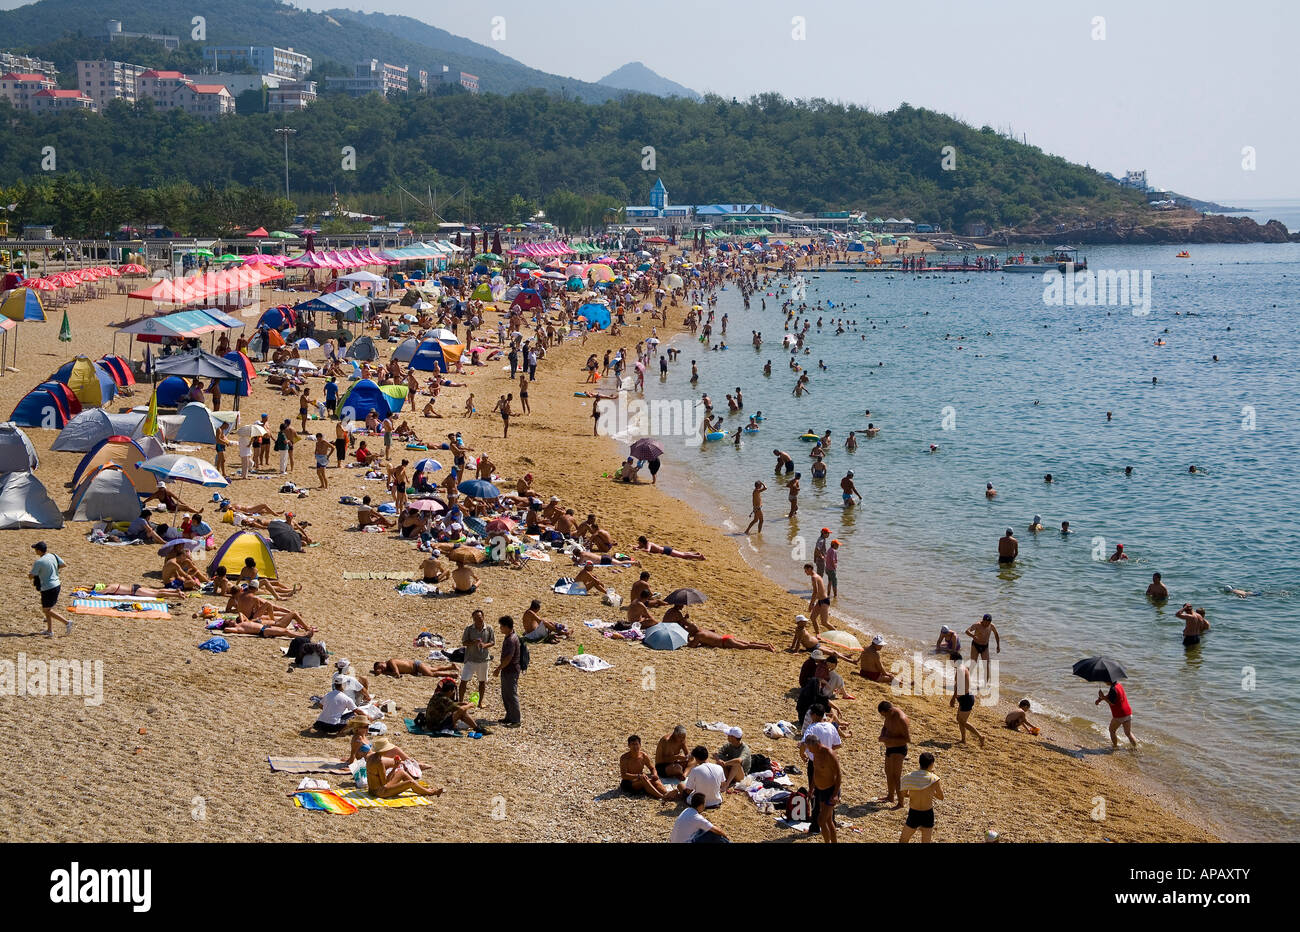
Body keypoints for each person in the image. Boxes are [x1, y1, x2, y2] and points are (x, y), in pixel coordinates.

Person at [800, 703, 841, 836]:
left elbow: (803, 743)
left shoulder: (812, 728)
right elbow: (837, 745)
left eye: (811, 714)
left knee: (817, 798)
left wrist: (803, 754)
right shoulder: (830, 726)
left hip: (816, 765)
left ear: (815, 715)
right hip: (827, 765)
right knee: (827, 806)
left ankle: (816, 825)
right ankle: (829, 822)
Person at [364, 737, 441, 798]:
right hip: (380, 792)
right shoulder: (379, 762)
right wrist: (394, 767)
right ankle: (430, 792)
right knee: (410, 783)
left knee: (401, 772)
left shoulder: (370, 757)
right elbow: (385, 782)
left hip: (371, 790)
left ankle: (420, 788)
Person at [803, 732, 841, 842]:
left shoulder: (829, 754)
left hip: (831, 790)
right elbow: (816, 772)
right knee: (828, 821)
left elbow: (838, 775)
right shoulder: (815, 754)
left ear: (815, 744)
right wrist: (811, 788)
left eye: (809, 747)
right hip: (820, 790)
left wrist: (835, 794)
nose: (809, 751)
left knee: (821, 820)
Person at [898, 751, 943, 843]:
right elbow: (941, 796)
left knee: (904, 839)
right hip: (928, 813)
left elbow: (903, 794)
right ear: (931, 764)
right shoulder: (934, 779)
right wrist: (930, 793)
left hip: (914, 812)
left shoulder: (909, 777)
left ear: (919, 762)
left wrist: (913, 794)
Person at [29, 542, 72, 637]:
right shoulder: (53, 555)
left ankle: (67, 622)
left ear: (39, 551)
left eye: (35, 549)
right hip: (57, 585)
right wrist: (51, 571)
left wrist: (41, 573)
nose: (35, 551)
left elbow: (31, 576)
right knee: (47, 608)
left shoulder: (39, 562)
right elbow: (64, 564)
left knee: (46, 610)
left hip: (48, 588)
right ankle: (49, 630)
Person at [423, 677, 488, 733]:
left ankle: (477, 728)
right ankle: (477, 728)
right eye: (453, 691)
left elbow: (450, 705)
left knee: (461, 711)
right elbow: (461, 709)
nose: (454, 692)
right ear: (449, 691)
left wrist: (460, 703)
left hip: (430, 723)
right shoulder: (444, 699)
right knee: (462, 711)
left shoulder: (437, 695)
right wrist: (470, 705)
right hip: (436, 726)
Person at [877, 700, 911, 807]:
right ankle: (890, 796)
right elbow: (885, 727)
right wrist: (882, 735)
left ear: (890, 710)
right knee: (888, 772)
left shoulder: (901, 719)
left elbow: (907, 739)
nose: (884, 717)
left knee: (896, 776)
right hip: (889, 748)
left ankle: (901, 802)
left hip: (899, 749)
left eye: (884, 715)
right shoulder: (888, 715)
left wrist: (889, 739)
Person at [459, 609, 494, 707]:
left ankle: (480, 702)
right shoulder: (469, 629)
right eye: (476, 618)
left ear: (483, 617)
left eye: (480, 617)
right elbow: (464, 642)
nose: (478, 620)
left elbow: (492, 642)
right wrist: (473, 642)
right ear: (473, 619)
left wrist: (484, 645)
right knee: (464, 680)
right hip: (470, 659)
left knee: (482, 681)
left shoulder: (489, 629)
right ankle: (460, 701)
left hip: (483, 659)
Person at [619, 735, 670, 800]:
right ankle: (661, 796)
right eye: (632, 744)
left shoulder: (643, 756)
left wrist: (654, 774)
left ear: (640, 745)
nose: (635, 747)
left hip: (640, 778)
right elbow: (624, 775)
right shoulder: (624, 758)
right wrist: (638, 776)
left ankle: (666, 793)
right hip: (629, 783)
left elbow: (652, 768)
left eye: (636, 744)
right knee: (644, 779)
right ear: (629, 746)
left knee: (655, 780)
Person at [493, 615, 522, 727]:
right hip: (508, 670)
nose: (500, 628)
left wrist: (498, 668)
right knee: (506, 694)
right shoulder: (511, 636)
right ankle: (509, 716)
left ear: (506, 627)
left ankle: (515, 720)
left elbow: (508, 658)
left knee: (511, 694)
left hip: (511, 670)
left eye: (501, 626)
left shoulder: (511, 639)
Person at [950, 657, 985, 748]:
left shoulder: (960, 670)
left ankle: (980, 736)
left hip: (966, 699)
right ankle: (963, 739)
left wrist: (953, 698)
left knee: (963, 722)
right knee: (959, 719)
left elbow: (959, 687)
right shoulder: (963, 668)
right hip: (964, 698)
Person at [682, 620, 775, 652]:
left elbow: (693, 646)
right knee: (748, 642)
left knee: (746, 646)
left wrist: (688, 641)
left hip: (725, 642)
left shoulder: (698, 635)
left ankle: (766, 647)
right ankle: (766, 644)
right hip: (726, 637)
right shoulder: (702, 630)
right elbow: (712, 632)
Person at [1096, 680, 1137, 749]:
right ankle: (1135, 748)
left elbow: (1112, 703)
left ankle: (1115, 747)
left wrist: (1103, 697)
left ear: (1109, 680)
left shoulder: (1113, 689)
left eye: (1105, 680)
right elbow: (1111, 696)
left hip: (1119, 714)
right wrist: (1100, 699)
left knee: (1112, 730)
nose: (1105, 682)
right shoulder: (1118, 685)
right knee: (1128, 733)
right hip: (1128, 712)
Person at [965, 614, 1001, 681]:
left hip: (985, 647)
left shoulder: (991, 626)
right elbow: (967, 631)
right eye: (986, 622)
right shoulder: (977, 625)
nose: (987, 624)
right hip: (975, 646)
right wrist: (973, 636)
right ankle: (966, 678)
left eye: (989, 622)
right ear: (983, 620)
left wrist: (998, 646)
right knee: (973, 663)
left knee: (986, 665)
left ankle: (986, 684)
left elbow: (996, 634)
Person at [805, 563, 831, 633]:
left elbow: (815, 592)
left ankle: (838, 634)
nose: (805, 572)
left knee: (824, 622)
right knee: (813, 618)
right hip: (820, 601)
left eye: (806, 570)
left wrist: (811, 604)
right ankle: (818, 634)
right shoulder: (817, 576)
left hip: (825, 601)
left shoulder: (814, 577)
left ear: (810, 569)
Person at [634, 536, 704, 560]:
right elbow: (638, 547)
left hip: (666, 551)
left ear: (642, 542)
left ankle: (698, 556)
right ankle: (695, 554)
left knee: (683, 556)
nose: (638, 544)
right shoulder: (643, 545)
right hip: (665, 550)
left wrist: (640, 550)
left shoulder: (648, 544)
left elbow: (647, 551)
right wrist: (634, 547)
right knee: (682, 553)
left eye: (639, 542)